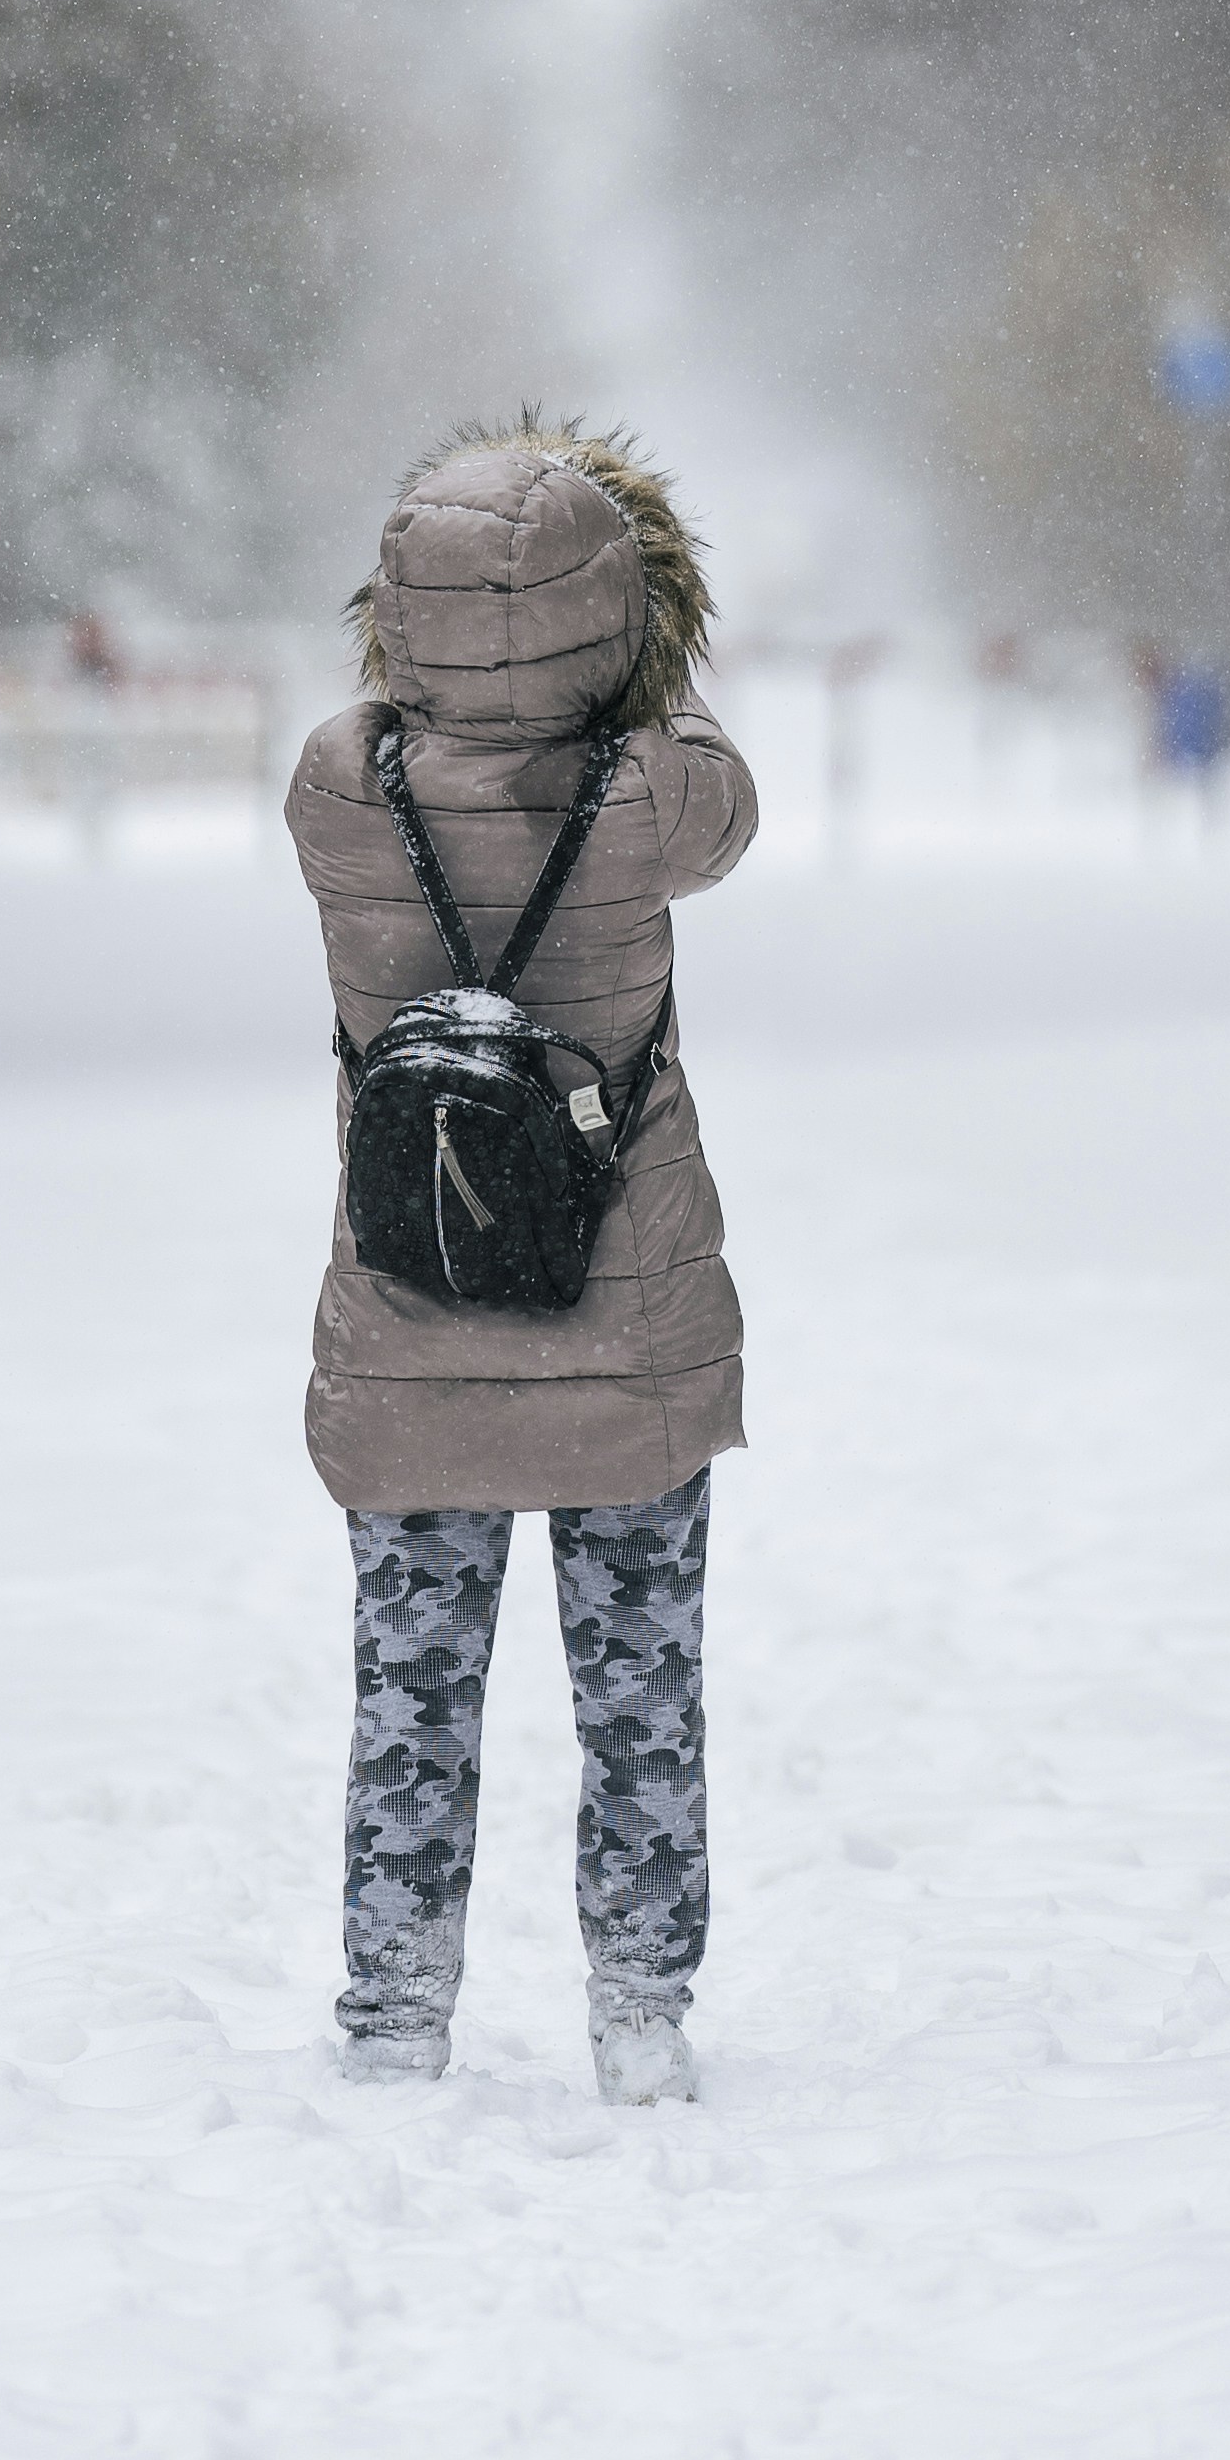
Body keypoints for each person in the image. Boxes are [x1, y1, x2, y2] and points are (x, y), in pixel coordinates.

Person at [286, 419, 760, 2103]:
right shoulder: (655, 795)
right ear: (624, 615)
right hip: (622, 1329)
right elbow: (716, 768)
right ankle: (639, 2013)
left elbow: (390, 699)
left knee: (411, 1699)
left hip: (413, 1319)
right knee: (642, 1691)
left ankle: (394, 2018)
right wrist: (646, 654)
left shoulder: (342, 786)